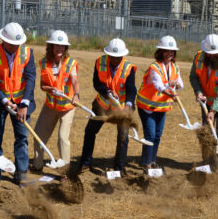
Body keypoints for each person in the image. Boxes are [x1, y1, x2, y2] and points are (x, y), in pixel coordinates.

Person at [75, 38, 137, 175]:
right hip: (102, 104)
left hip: (121, 107)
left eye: (118, 57)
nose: (115, 60)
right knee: (90, 131)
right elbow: (97, 83)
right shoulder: (100, 62)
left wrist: (128, 105)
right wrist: (107, 92)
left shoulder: (128, 68)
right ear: (108, 55)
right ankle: (85, 163)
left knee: (123, 136)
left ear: (122, 56)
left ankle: (119, 168)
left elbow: (131, 89)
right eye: (112, 57)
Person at [0, 22, 36, 189]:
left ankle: (21, 173)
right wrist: (4, 100)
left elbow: (30, 79)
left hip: (21, 102)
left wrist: (24, 104)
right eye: (12, 44)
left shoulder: (27, 53)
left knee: (22, 137)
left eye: (18, 44)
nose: (15, 47)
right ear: (3, 40)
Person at [33, 30, 79, 170]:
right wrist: (50, 89)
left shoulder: (70, 63)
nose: (60, 48)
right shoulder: (44, 63)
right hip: (51, 106)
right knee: (38, 135)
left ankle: (66, 171)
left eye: (62, 46)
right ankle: (37, 165)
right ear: (51, 47)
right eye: (57, 46)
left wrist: (76, 95)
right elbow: (42, 85)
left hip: (67, 106)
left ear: (65, 48)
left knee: (62, 137)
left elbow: (75, 80)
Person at [189, 34, 218, 166]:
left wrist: (213, 110)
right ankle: (207, 161)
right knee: (207, 131)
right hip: (206, 101)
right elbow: (193, 77)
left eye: (215, 53)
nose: (211, 56)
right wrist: (198, 92)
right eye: (209, 53)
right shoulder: (198, 57)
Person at [136, 35, 183, 171]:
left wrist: (176, 85)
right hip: (147, 106)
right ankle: (147, 164)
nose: (169, 54)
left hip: (161, 107)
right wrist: (170, 92)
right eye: (166, 51)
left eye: (172, 51)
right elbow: (158, 85)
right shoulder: (154, 67)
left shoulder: (175, 67)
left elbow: (181, 83)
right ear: (161, 52)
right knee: (150, 135)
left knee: (157, 135)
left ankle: (152, 160)